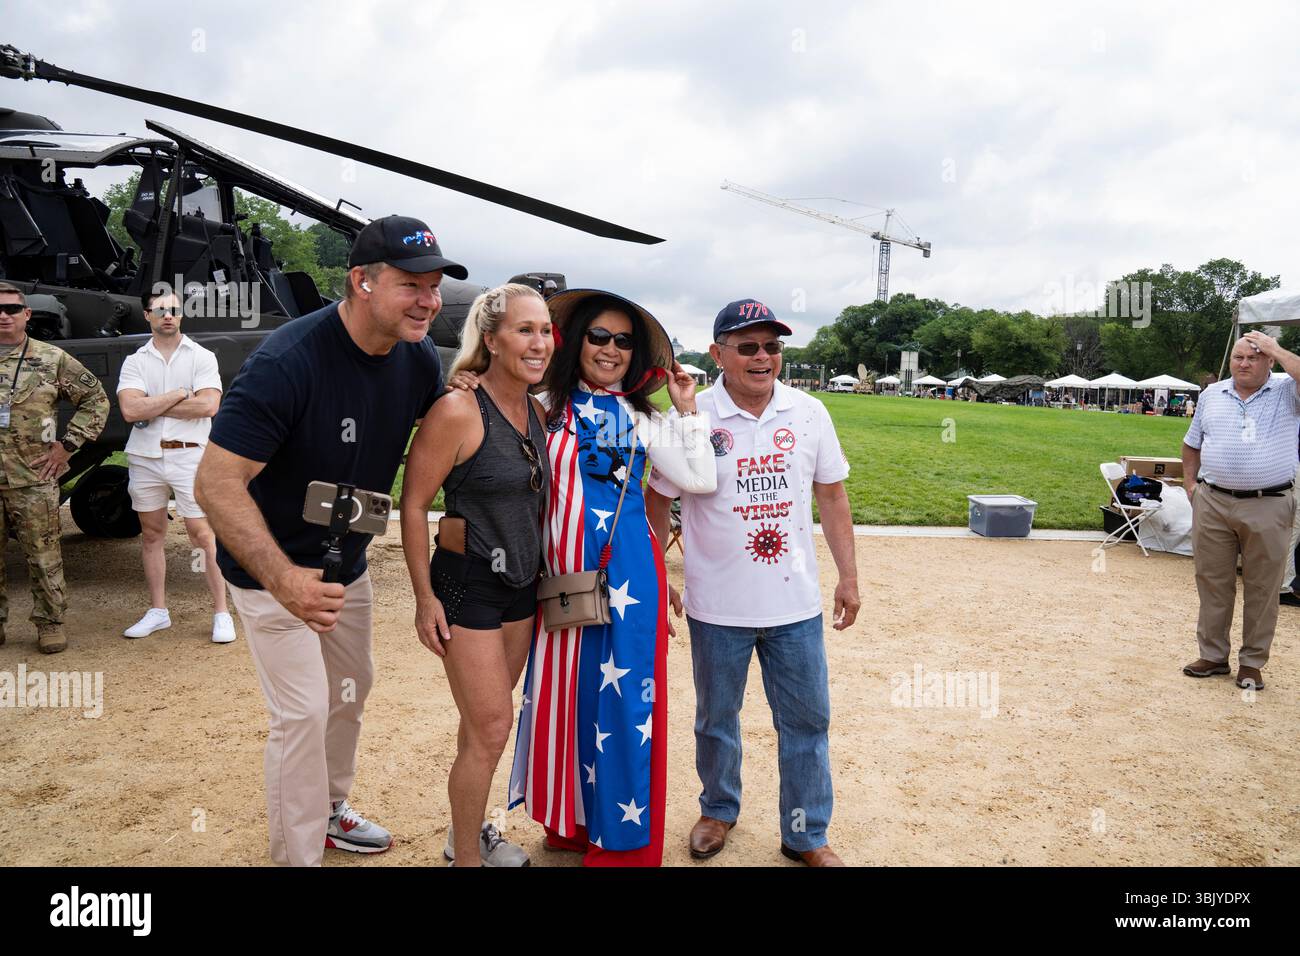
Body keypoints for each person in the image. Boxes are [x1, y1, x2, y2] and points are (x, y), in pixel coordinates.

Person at [194, 215, 465, 866]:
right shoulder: (288, 363)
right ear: (362, 283)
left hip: (347, 561)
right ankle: (298, 855)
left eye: (434, 286)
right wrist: (284, 579)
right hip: (271, 568)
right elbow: (216, 482)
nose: (429, 300)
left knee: (351, 691)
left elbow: (454, 432)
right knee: (303, 713)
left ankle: (331, 809)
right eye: (411, 285)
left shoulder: (417, 355)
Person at [454, 289, 715, 866]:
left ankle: (619, 842)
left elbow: (699, 478)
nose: (611, 349)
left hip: (627, 583)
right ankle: (572, 821)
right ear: (578, 342)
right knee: (562, 698)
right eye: (599, 336)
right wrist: (467, 380)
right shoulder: (542, 403)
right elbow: (485, 415)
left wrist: (687, 408)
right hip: (553, 582)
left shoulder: (645, 420)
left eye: (624, 340)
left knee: (622, 707)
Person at [645, 298, 861, 867]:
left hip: (795, 604)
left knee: (807, 722)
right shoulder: (690, 416)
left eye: (772, 346)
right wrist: (663, 572)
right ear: (719, 354)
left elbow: (832, 495)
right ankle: (718, 809)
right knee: (716, 719)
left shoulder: (810, 412)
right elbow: (656, 500)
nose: (763, 357)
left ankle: (806, 834)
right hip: (717, 605)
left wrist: (849, 577)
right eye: (748, 347)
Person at [399, 283, 552, 868]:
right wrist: (423, 597)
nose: (538, 342)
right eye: (524, 330)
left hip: (521, 584)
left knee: (480, 724)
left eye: (544, 330)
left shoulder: (536, 409)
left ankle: (466, 838)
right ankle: (467, 859)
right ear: (491, 338)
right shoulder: (458, 408)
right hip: (467, 587)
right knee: (492, 726)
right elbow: (412, 505)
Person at [1181, 331, 1300, 691]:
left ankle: (1251, 663)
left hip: (1269, 502)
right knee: (1213, 582)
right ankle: (1214, 656)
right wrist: (1191, 485)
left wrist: (1276, 347)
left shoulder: (1286, 391)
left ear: (1269, 362)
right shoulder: (1211, 395)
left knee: (1263, 587)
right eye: (1238, 358)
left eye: (1254, 357)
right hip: (1214, 501)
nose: (1244, 364)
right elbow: (1191, 444)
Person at [117, 289, 233, 643]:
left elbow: (208, 407)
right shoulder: (136, 361)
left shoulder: (201, 356)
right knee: (152, 534)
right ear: (148, 316)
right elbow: (129, 411)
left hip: (190, 456)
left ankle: (221, 612)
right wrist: (180, 394)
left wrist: (152, 404)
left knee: (202, 535)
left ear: (181, 316)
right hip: (146, 457)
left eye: (174, 310)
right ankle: (158, 611)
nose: (168, 315)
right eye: (160, 310)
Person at [0, 282, 109, 654]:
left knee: (43, 555)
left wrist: (69, 446)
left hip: (33, 478)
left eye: (12, 309)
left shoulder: (51, 359)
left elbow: (95, 398)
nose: (4, 315)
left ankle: (49, 623)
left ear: (26, 314)